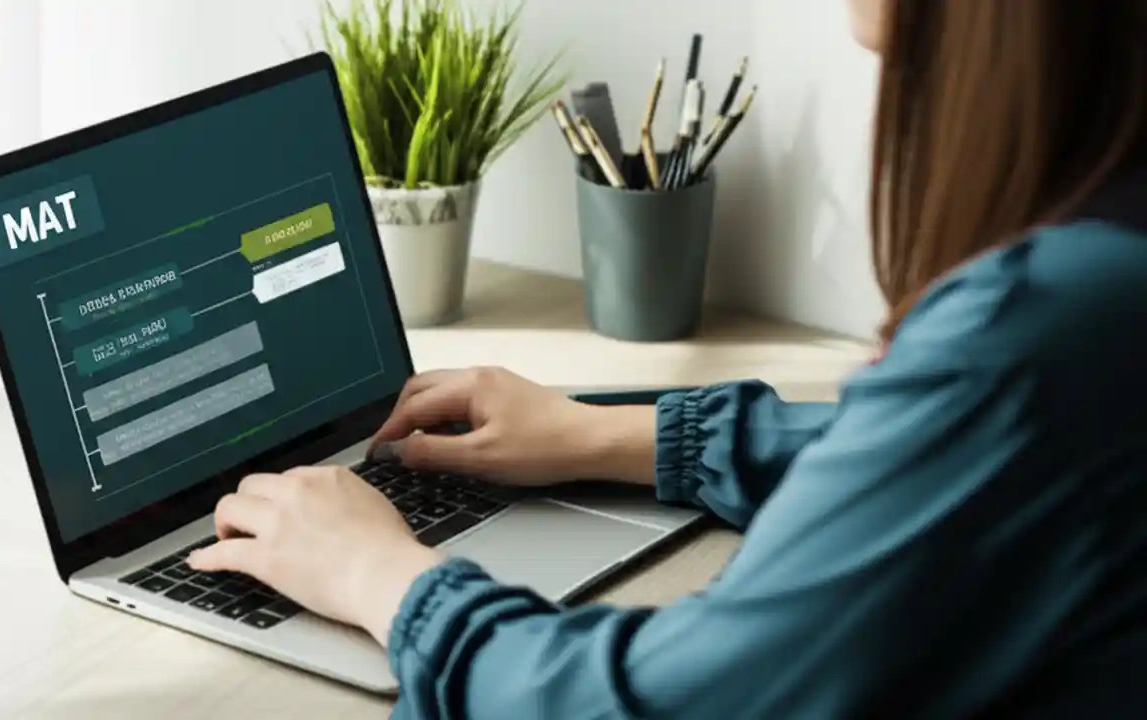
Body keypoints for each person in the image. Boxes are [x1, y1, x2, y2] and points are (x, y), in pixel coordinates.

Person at [188, 0, 1147, 716]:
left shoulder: (1039, 334)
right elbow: (940, 462)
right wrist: (627, 437)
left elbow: (653, 704)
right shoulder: (1094, 289)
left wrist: (379, 578)